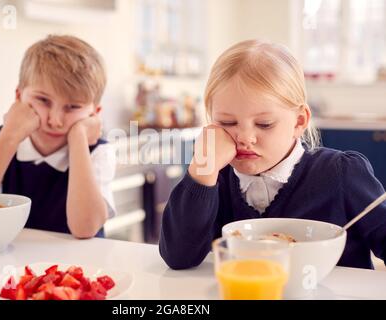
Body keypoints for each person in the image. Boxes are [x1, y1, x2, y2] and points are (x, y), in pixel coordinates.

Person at [159, 39, 386, 269]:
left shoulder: (341, 173)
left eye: (264, 124)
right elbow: (179, 258)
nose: (245, 137)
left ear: (299, 121)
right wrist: (202, 170)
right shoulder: (214, 180)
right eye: (227, 122)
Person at [0, 35, 116, 239]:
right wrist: (10, 136)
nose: (55, 120)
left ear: (94, 112)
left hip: (77, 267)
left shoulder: (98, 151)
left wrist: (78, 138)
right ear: (18, 96)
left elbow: (85, 228)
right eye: (43, 100)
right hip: (17, 263)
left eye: (73, 107)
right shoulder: (2, 138)